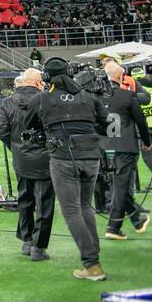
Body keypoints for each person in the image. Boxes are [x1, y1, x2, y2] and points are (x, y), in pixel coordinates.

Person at [23, 57, 109, 281]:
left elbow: (27, 124)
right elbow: (106, 126)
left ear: (46, 77)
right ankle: (93, 259)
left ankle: (91, 264)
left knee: (71, 211)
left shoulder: (42, 98)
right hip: (91, 156)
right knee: (85, 207)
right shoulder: (89, 97)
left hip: (63, 158)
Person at [0, 68, 54, 261]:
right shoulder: (47, 99)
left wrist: (16, 147)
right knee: (44, 202)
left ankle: (27, 240)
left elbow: (2, 130)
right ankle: (38, 246)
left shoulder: (8, 102)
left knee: (25, 198)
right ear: (38, 82)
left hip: (21, 156)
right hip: (44, 157)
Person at [101, 61, 152, 240]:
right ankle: (113, 226)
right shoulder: (127, 96)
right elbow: (141, 121)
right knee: (121, 186)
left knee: (117, 184)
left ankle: (137, 219)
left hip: (105, 147)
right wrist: (147, 142)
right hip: (125, 146)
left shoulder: (97, 98)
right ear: (120, 77)